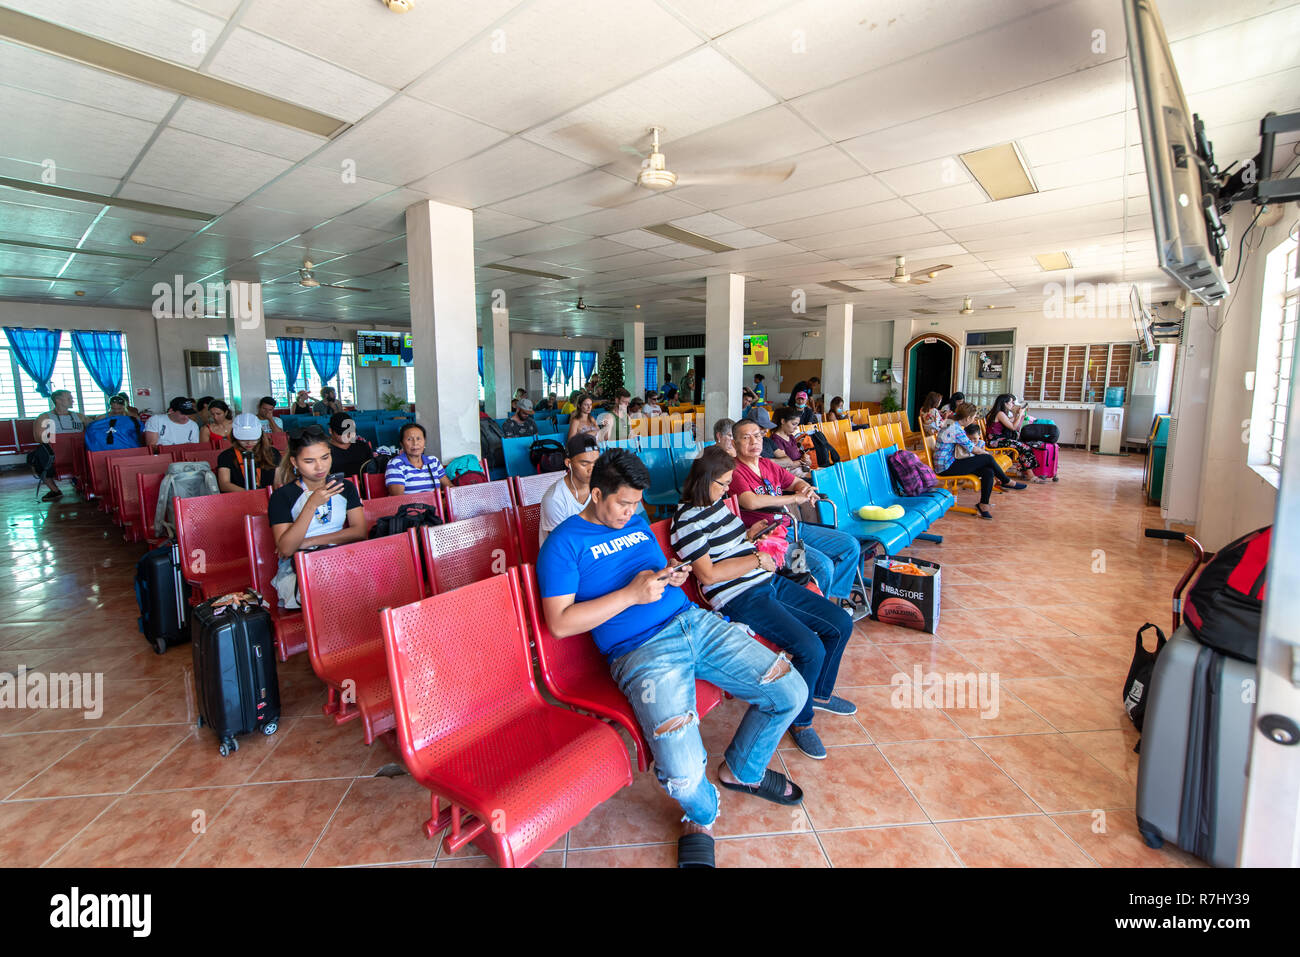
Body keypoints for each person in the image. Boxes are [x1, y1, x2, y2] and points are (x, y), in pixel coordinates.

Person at [537, 449, 806, 869]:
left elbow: (652, 573)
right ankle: (701, 814)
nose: (632, 511)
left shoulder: (637, 521)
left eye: (636, 502)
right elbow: (559, 623)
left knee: (791, 690)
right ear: (595, 494)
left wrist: (671, 575)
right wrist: (630, 595)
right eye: (623, 502)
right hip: (641, 653)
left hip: (693, 623)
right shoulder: (563, 544)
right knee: (681, 777)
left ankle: (743, 770)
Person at [671, 447, 855, 760]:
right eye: (722, 483)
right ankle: (801, 721)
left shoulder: (717, 507)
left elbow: (730, 545)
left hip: (763, 580)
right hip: (738, 596)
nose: (727, 489)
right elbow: (710, 574)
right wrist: (756, 557)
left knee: (840, 623)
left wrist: (750, 535)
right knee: (809, 647)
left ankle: (818, 694)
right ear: (703, 481)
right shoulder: (687, 519)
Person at [730, 418, 866, 619]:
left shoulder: (768, 464)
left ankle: (832, 601)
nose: (754, 442)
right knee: (822, 565)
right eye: (746, 438)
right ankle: (819, 616)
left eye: (757, 436)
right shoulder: (734, 470)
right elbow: (749, 501)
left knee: (850, 545)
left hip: (792, 526)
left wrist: (805, 488)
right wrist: (795, 497)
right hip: (770, 537)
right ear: (734, 444)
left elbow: (795, 482)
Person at [268, 426, 366, 608]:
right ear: (294, 462)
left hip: (340, 560)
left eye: (325, 457)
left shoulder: (345, 487)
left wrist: (309, 541)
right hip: (301, 568)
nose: (320, 467)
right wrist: (312, 503)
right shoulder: (282, 496)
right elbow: (287, 549)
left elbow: (359, 531)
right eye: (309, 461)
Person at [935, 402, 1025, 519]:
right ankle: (1006, 481)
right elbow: (972, 449)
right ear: (968, 418)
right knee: (987, 458)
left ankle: (983, 505)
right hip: (946, 467)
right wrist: (987, 455)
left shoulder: (950, 423)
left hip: (947, 463)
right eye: (973, 418)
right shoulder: (956, 429)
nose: (973, 421)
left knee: (988, 471)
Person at [538, 434, 600, 547]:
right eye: (584, 464)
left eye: (596, 463)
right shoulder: (554, 499)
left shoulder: (602, 486)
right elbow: (561, 546)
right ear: (568, 463)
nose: (592, 469)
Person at [32, 390, 87, 501]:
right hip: (57, 454)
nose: (72, 400)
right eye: (69, 398)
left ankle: (84, 483)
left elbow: (94, 430)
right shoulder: (45, 417)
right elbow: (40, 438)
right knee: (35, 457)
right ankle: (55, 490)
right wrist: (58, 439)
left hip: (79, 452)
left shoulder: (79, 416)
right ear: (58, 400)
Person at [217, 413, 281, 492]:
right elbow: (224, 484)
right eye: (243, 439)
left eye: (254, 439)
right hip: (239, 498)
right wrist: (250, 495)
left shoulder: (273, 453)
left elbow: (278, 482)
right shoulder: (226, 456)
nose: (249, 442)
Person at [984, 393, 1042, 479]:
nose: (1013, 404)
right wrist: (1019, 415)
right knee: (1024, 447)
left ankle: (1023, 471)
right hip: (995, 441)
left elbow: (1008, 421)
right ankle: (1030, 474)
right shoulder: (1000, 413)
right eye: (1011, 402)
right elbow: (1013, 427)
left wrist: (1018, 415)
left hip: (996, 439)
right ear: (1005, 403)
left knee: (1022, 445)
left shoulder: (998, 412)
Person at [384, 422, 450, 494]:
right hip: (409, 505)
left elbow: (449, 487)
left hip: (435, 504)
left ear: (424, 441)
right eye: (409, 439)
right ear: (402, 443)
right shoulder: (396, 464)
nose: (415, 443)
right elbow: (398, 499)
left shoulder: (433, 461)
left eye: (418, 438)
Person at [769, 406, 813, 478]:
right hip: (790, 473)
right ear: (783, 421)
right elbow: (784, 464)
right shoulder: (775, 440)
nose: (796, 427)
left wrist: (806, 459)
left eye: (797, 424)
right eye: (793, 424)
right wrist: (800, 462)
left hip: (801, 469)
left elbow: (798, 455)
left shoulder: (791, 437)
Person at [326, 412, 375, 476]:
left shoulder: (362, 447)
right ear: (330, 431)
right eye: (342, 432)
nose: (347, 435)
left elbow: (372, 470)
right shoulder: (325, 451)